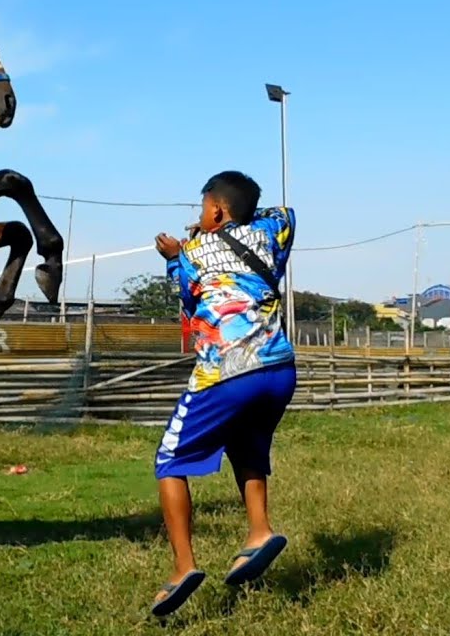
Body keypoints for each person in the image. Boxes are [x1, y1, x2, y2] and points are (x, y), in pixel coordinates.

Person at [148, 170, 297, 617]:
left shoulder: (194, 251)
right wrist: (232, 221)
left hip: (228, 373)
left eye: (203, 208)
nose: (199, 217)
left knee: (169, 462)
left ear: (215, 208)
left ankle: (182, 566)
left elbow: (191, 304)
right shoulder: (274, 232)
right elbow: (282, 212)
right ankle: (259, 532)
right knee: (245, 447)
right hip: (279, 369)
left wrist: (176, 256)